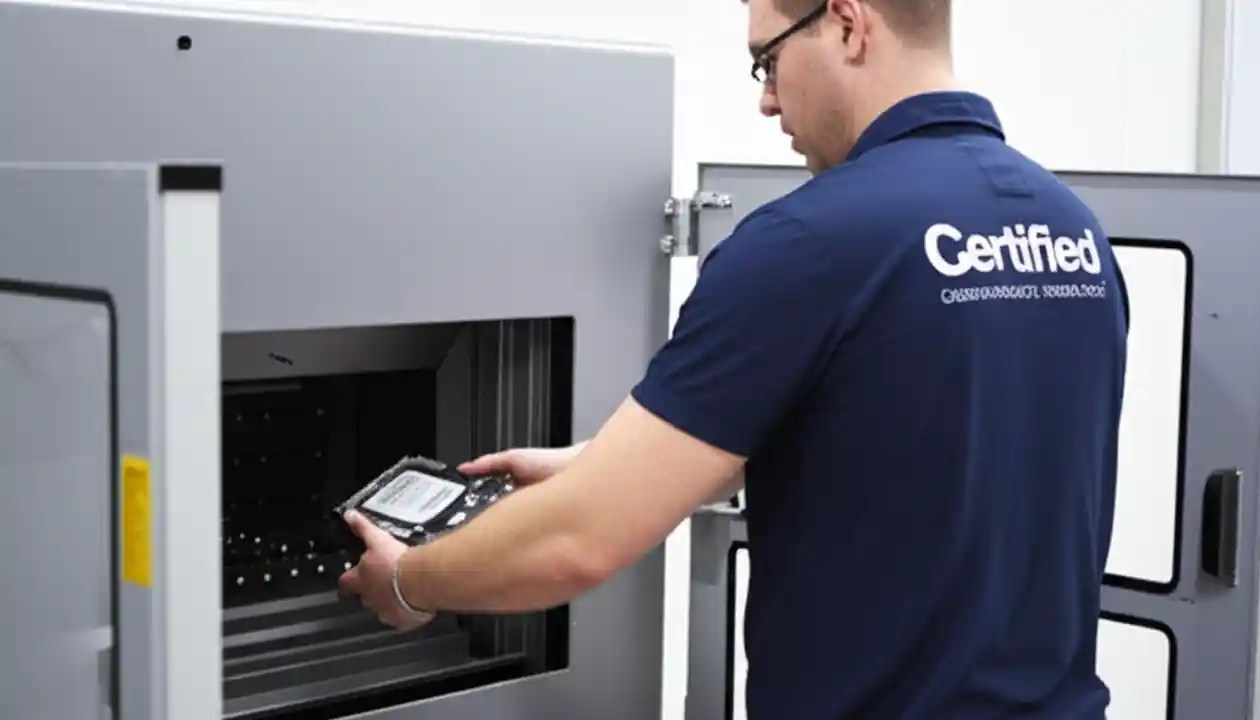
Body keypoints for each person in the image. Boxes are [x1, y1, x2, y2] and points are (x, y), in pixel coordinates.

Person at [338, 0, 1130, 717]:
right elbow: (909, 434)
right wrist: (605, 463)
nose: (767, 98)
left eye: (769, 59)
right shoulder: (1072, 233)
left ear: (849, 23)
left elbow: (575, 543)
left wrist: (409, 581)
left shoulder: (809, 243)